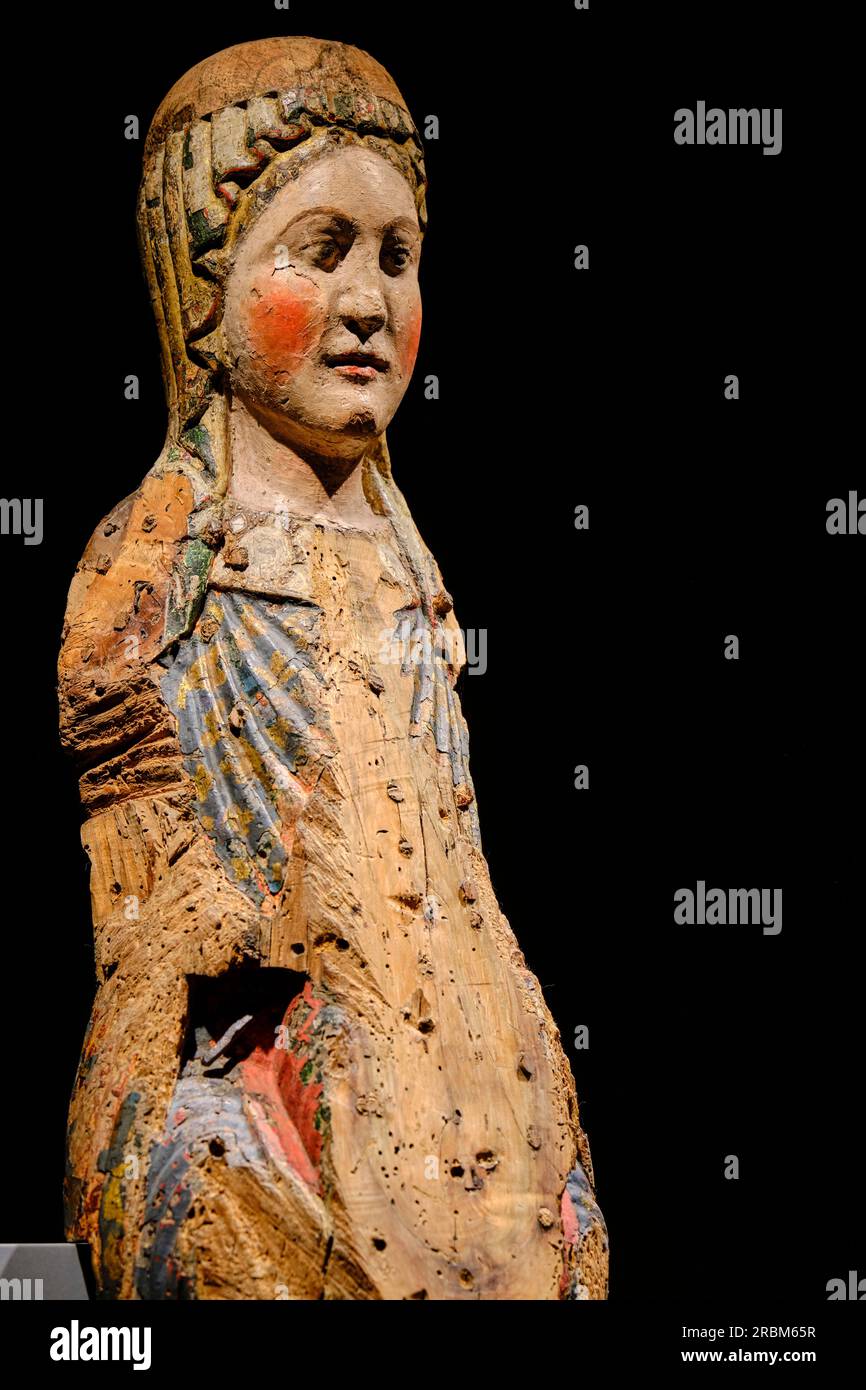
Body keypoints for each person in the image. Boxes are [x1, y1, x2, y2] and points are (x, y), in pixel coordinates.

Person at [59, 36, 607, 1300]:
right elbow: (146, 888)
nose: (371, 299)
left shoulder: (414, 562)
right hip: (260, 1063)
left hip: (477, 1072)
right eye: (321, 250)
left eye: (398, 257)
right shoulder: (157, 559)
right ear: (205, 289)